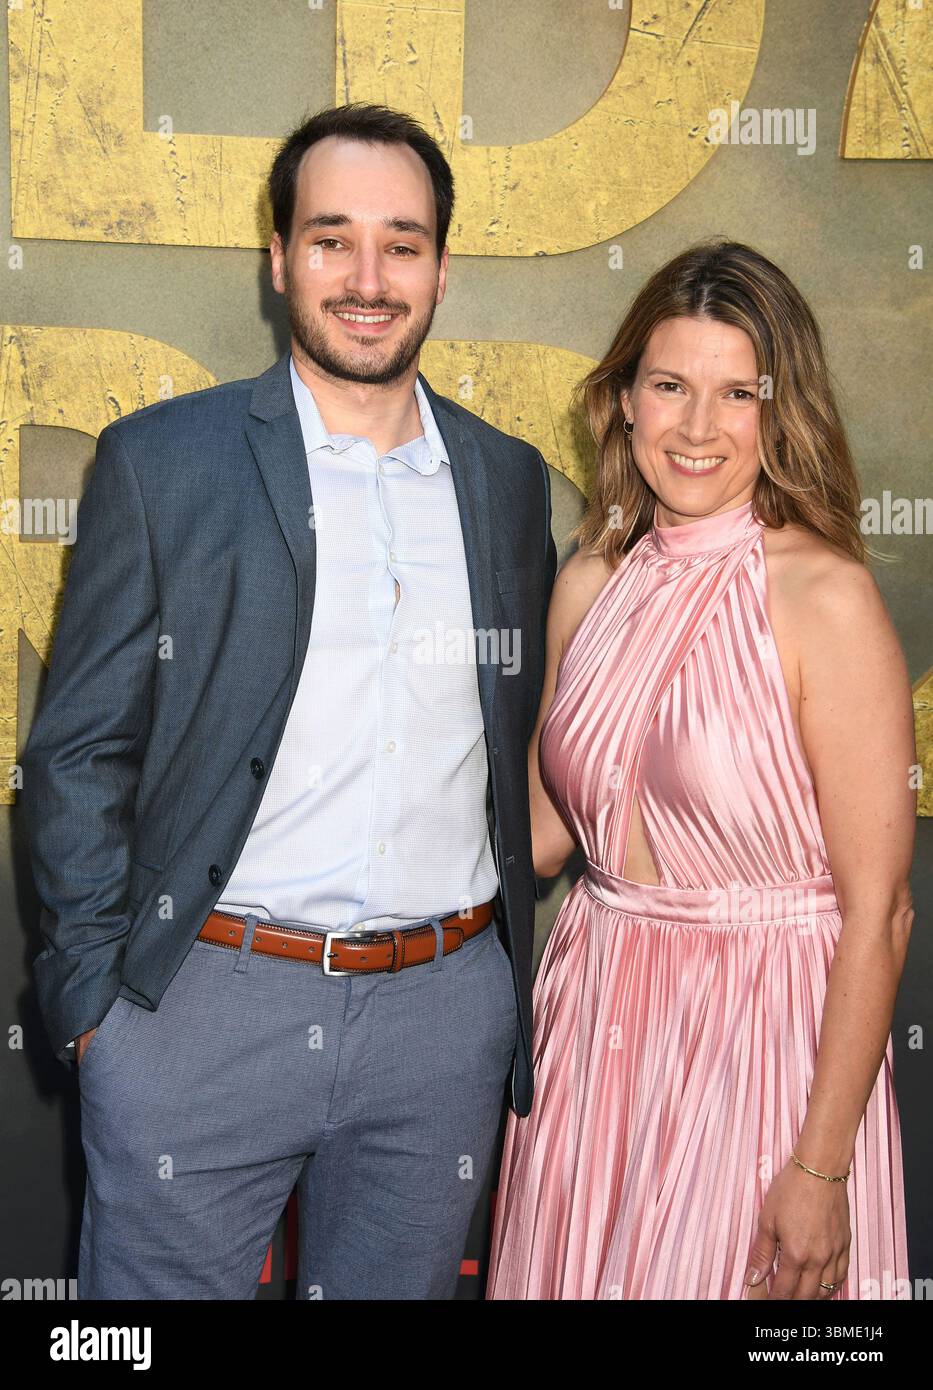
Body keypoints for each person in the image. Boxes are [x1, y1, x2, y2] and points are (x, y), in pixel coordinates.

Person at [22, 101, 556, 1300]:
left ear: (442, 266)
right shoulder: (163, 461)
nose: (368, 278)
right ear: (278, 258)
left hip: (441, 1018)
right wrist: (98, 1016)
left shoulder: (506, 482)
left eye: (402, 243)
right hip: (203, 1005)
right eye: (331, 239)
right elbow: (78, 752)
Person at [486, 240, 914, 1300]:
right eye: (670, 385)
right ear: (623, 398)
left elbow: (883, 913)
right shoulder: (591, 576)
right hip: (593, 1024)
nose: (696, 427)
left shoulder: (825, 595)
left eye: (737, 394)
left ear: (782, 411)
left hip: (762, 1036)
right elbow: (541, 835)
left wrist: (821, 1165)